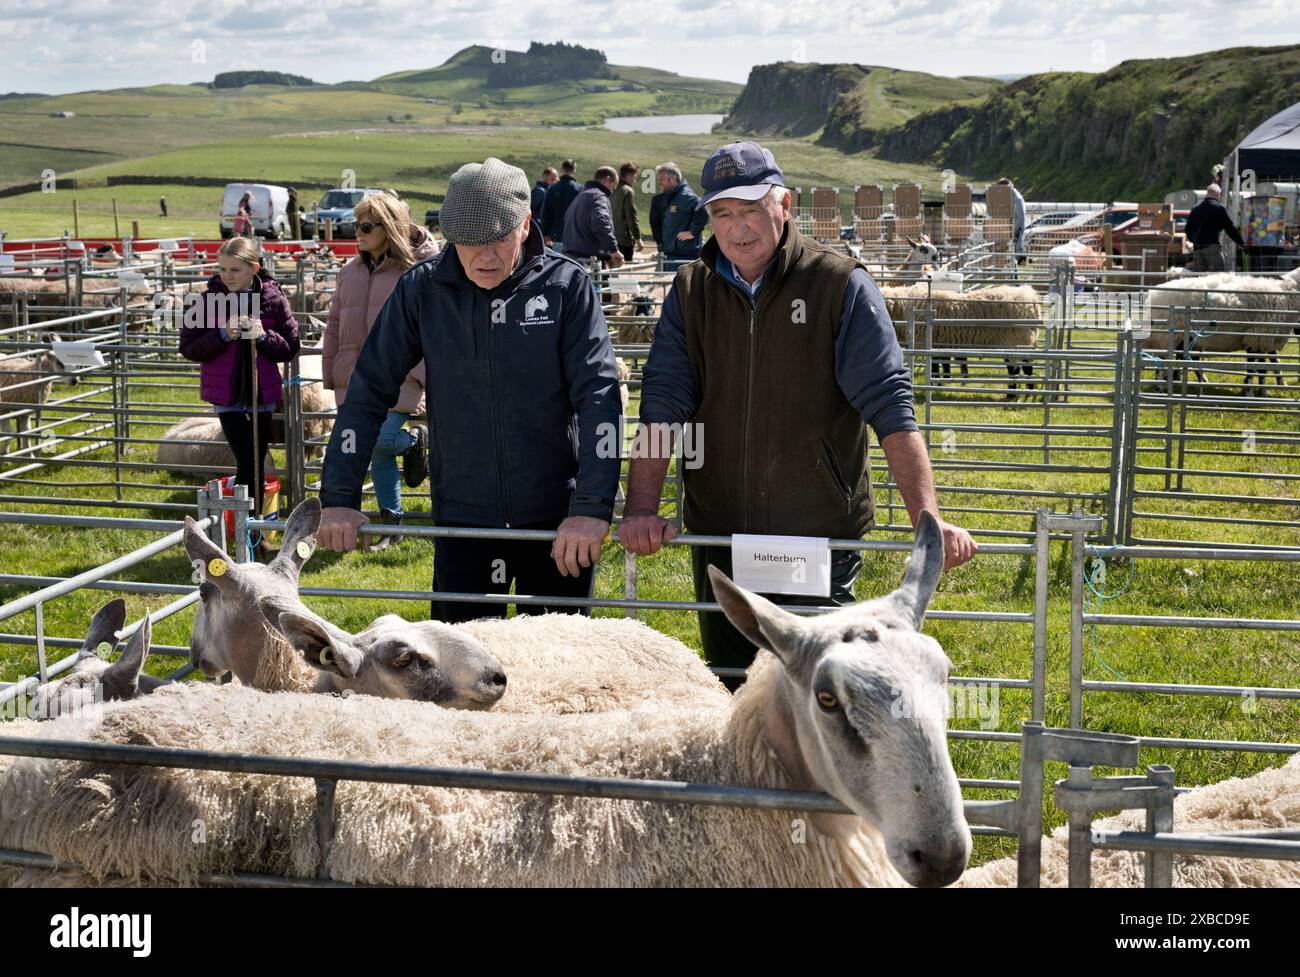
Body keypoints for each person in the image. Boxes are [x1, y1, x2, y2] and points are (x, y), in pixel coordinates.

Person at [619, 141, 977, 684]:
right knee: (734, 685)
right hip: (724, 532)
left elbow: (889, 402)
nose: (738, 229)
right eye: (722, 214)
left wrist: (926, 518)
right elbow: (663, 402)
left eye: (751, 210)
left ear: (783, 204)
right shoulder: (692, 291)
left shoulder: (838, 284)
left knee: (817, 689)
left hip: (816, 533)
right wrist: (643, 504)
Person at [315, 157, 622, 623]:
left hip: (556, 520)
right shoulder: (423, 290)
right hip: (463, 519)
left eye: (497, 239)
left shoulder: (565, 286)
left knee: (562, 670)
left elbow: (599, 395)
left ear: (524, 225)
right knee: (461, 675)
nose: (484, 256)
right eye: (468, 242)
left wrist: (591, 507)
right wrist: (339, 496)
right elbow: (369, 389)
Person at [322, 191, 439, 551]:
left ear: (388, 228)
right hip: (355, 378)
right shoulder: (350, 272)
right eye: (355, 225)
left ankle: (417, 441)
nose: (358, 232)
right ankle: (394, 523)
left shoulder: (415, 270)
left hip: (400, 375)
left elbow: (429, 326)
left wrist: (420, 371)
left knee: (380, 441)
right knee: (376, 453)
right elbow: (335, 323)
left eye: (367, 226)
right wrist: (332, 370)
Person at [179, 236, 300, 556]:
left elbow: (290, 347)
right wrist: (223, 334)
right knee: (248, 460)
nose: (227, 276)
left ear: (254, 268)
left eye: (235, 269)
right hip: (228, 396)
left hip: (262, 394)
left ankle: (253, 532)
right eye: (222, 269)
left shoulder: (272, 299)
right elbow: (189, 347)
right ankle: (251, 534)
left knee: (256, 463)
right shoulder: (207, 301)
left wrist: (262, 335)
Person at [561, 166, 625, 268]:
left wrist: (607, 256)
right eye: (613, 187)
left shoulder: (581, 195)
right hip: (587, 261)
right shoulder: (599, 197)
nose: (612, 192)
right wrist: (613, 250)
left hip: (571, 256)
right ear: (606, 180)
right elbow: (601, 223)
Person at [648, 162, 708, 268]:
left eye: (661, 180)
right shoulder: (670, 197)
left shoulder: (685, 196)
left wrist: (692, 232)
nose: (659, 183)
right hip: (671, 255)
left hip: (685, 257)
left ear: (672, 179)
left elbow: (702, 209)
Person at [1185, 183, 1246, 272]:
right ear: (1217, 194)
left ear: (1208, 193)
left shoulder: (1195, 209)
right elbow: (1229, 228)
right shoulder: (1219, 208)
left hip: (1197, 247)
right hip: (1212, 246)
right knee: (1219, 273)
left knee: (1199, 276)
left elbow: (1187, 229)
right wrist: (1240, 242)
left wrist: (1193, 240)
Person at [540, 159, 582, 246]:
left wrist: (545, 236)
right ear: (574, 170)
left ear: (562, 169)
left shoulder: (552, 188)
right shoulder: (580, 190)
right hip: (574, 237)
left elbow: (545, 214)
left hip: (555, 236)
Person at [612, 160, 642, 263]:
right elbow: (631, 217)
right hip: (624, 241)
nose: (634, 181)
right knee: (622, 275)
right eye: (634, 178)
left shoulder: (611, 189)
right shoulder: (627, 191)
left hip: (609, 240)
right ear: (629, 176)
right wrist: (638, 239)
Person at [995, 177, 1026, 255]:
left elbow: (1021, 218)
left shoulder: (1017, 199)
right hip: (1011, 233)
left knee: (1013, 258)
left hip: (1016, 234)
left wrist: (1012, 232)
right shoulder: (1011, 196)